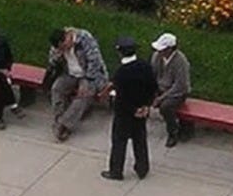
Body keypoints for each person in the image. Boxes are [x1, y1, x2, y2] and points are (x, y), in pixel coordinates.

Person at [101, 35, 157, 181]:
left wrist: (133, 110)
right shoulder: (145, 66)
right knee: (140, 140)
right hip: (142, 110)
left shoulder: (121, 73)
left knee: (119, 141)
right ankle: (142, 168)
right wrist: (146, 106)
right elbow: (152, 87)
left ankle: (116, 171)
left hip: (124, 114)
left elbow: (122, 98)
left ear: (119, 52)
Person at [46, 26, 108, 142]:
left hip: (89, 75)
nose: (65, 49)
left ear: (67, 38)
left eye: (64, 46)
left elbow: (95, 62)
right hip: (70, 73)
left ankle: (64, 125)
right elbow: (51, 61)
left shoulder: (85, 38)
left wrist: (86, 80)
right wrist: (58, 56)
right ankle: (60, 118)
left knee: (83, 94)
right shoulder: (57, 46)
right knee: (56, 88)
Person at [150, 32, 190, 149]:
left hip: (177, 92)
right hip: (161, 87)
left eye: (162, 49)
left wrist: (161, 98)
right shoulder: (156, 57)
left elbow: (180, 85)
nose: (159, 52)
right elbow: (153, 74)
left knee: (166, 107)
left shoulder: (181, 62)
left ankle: (173, 132)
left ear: (170, 49)